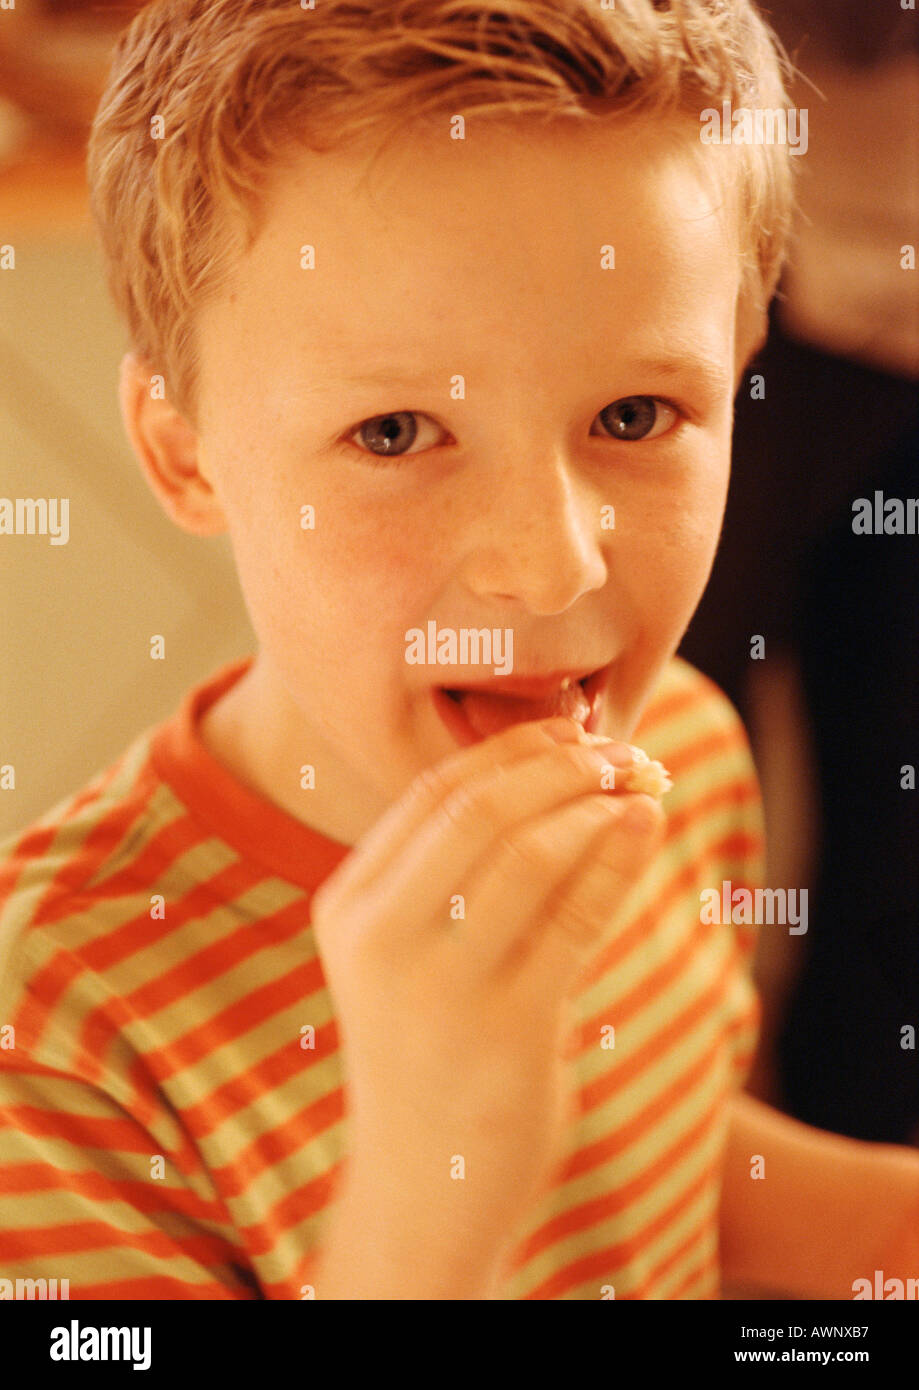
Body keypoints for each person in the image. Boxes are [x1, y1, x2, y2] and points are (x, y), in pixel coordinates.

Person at [0, 0, 916, 1301]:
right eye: (394, 433)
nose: (554, 567)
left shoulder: (685, 757)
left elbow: (653, 1171)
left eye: (636, 411)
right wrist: (430, 1193)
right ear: (183, 449)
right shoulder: (52, 1032)